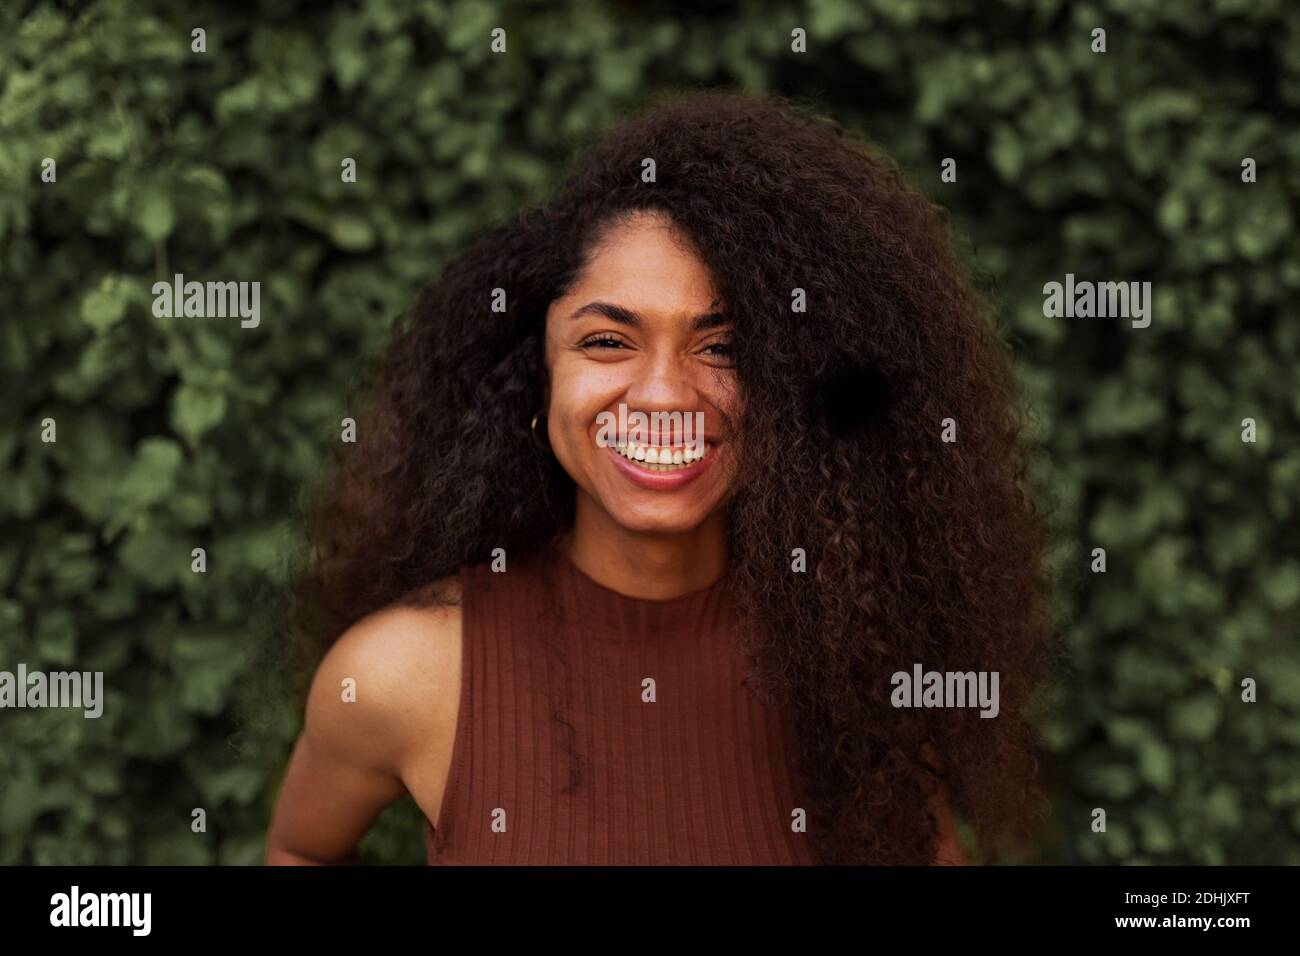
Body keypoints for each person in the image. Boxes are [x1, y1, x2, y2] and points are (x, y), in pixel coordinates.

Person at [265, 89, 1053, 866]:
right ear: (534, 382)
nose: (664, 394)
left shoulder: (853, 660)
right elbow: (299, 848)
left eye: (724, 348)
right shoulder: (402, 675)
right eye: (608, 341)